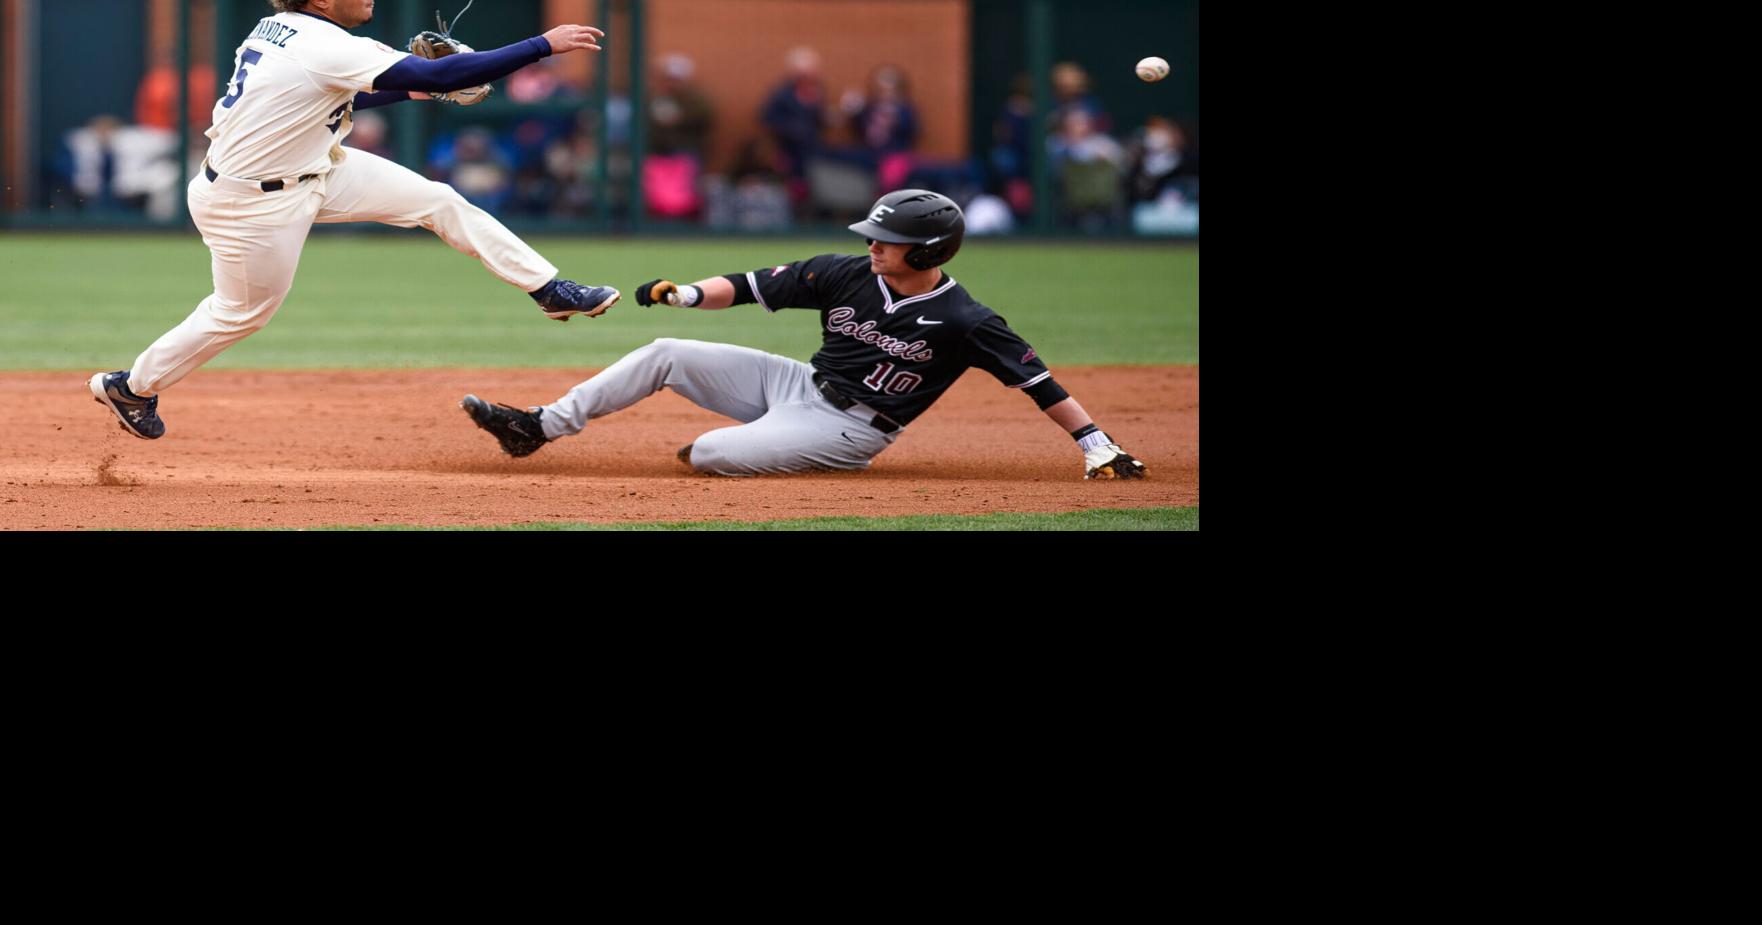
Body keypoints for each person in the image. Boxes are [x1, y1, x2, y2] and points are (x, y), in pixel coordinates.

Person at [89, 0, 616, 441]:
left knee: (438, 200)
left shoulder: (291, 30)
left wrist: (421, 86)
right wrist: (541, 45)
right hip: (252, 204)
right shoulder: (325, 43)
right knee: (239, 314)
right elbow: (436, 72)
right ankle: (131, 387)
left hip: (315, 167)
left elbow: (350, 88)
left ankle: (549, 289)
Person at [458, 189, 1147, 481]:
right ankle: (538, 428)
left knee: (705, 455)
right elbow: (756, 285)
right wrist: (690, 293)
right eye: (874, 235)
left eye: (887, 239)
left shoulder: (966, 320)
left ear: (929, 250)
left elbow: (1035, 379)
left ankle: (794, 454)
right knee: (666, 349)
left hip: (854, 430)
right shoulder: (846, 273)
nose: (873, 245)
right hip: (797, 384)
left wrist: (1096, 445)